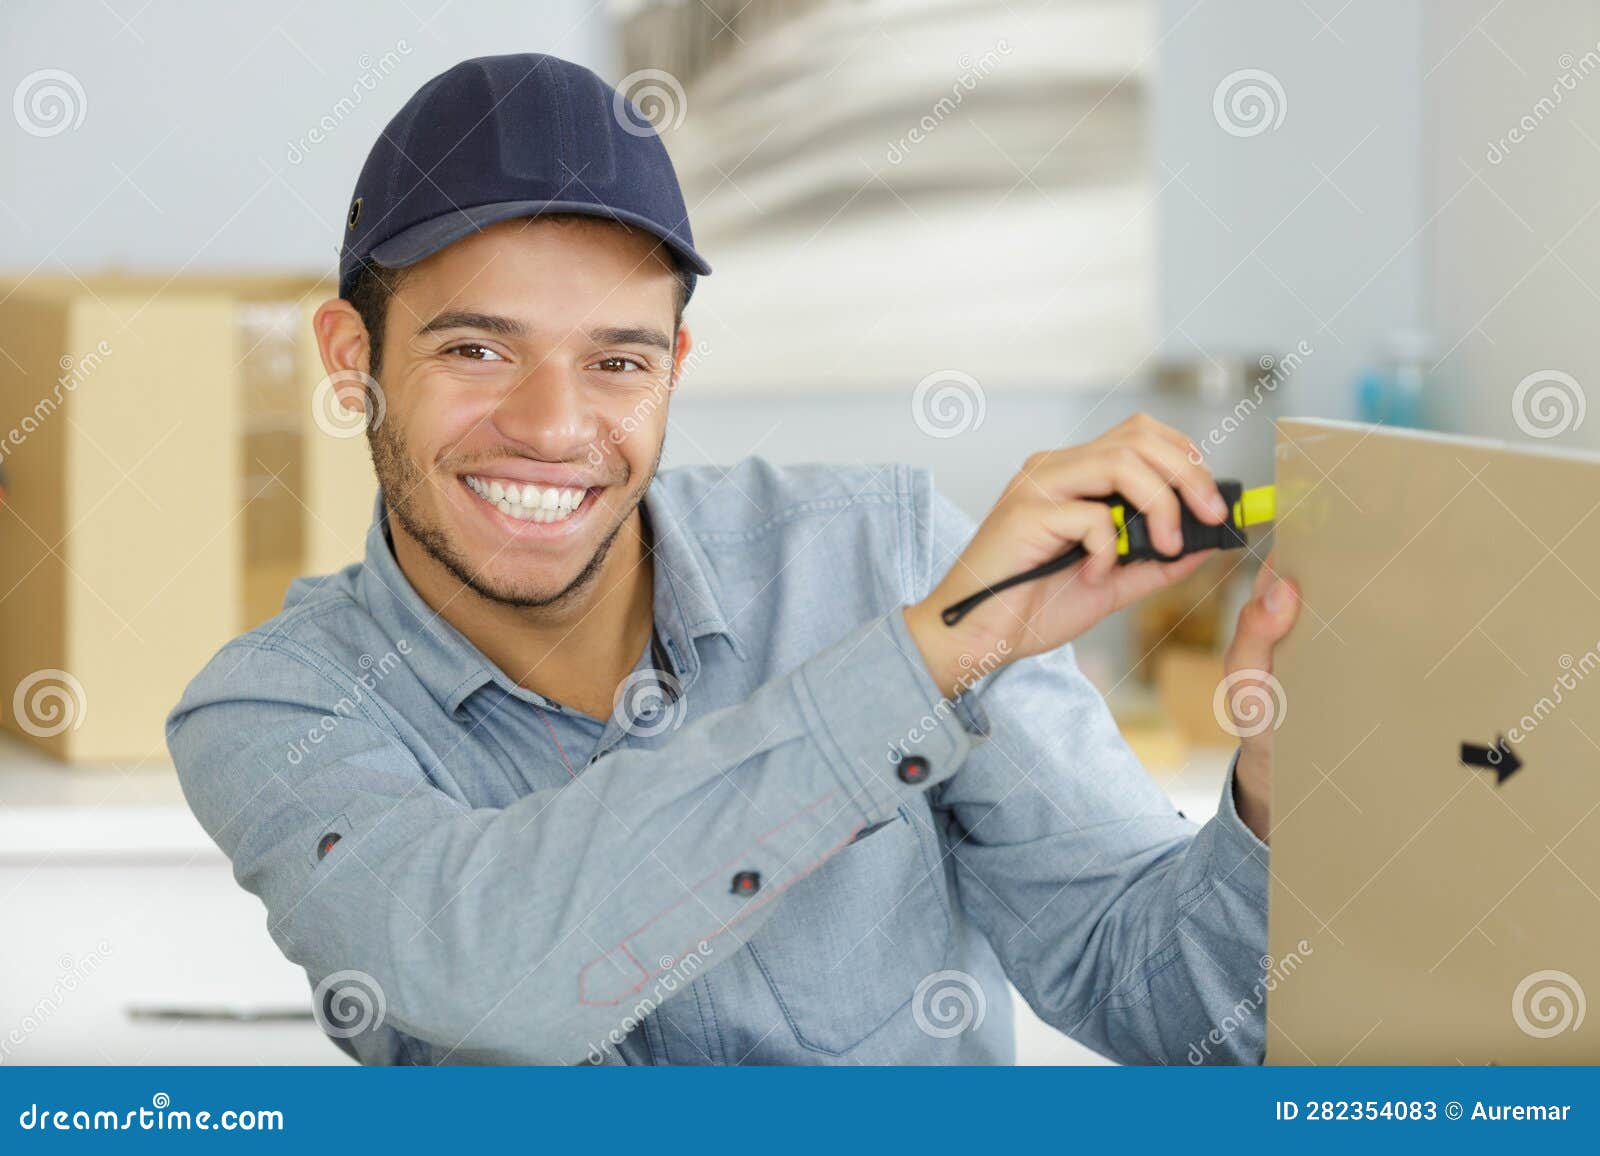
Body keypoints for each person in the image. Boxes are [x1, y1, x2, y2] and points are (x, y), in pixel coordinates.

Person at [166, 53, 1300, 1065]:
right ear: (351, 355)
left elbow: (1173, 1012)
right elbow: (486, 976)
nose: (554, 427)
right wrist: (921, 668)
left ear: (675, 364)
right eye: (475, 347)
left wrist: (1275, 791)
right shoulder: (274, 709)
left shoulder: (890, 556)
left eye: (618, 362)